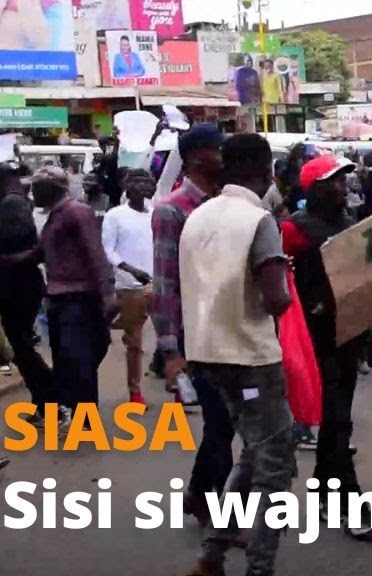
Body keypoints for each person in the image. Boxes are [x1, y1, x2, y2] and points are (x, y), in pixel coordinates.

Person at [179, 134, 292, 576]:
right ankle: (258, 568)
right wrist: (285, 276)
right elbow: (275, 299)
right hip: (251, 356)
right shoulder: (258, 219)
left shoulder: (199, 215)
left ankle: (211, 558)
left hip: (209, 353)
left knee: (254, 453)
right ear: (266, 173)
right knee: (275, 469)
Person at [281, 154, 372, 540]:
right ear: (311, 189)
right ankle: (350, 502)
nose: (341, 186)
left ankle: (322, 492)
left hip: (348, 333)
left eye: (344, 180)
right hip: (312, 335)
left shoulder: (354, 226)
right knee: (336, 418)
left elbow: (370, 274)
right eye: (331, 181)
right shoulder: (293, 230)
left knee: (337, 418)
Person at [151, 124, 230, 522]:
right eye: (219, 150)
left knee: (225, 423)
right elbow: (164, 281)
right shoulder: (173, 209)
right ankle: (218, 510)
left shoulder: (228, 203)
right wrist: (170, 350)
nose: (225, 157)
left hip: (229, 327)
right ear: (198, 157)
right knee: (221, 421)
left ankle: (199, 493)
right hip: (196, 333)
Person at [0, 166, 115, 413]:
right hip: (59, 300)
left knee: (77, 361)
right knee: (68, 362)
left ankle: (83, 418)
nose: (30, 193)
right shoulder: (55, 217)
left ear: (49, 189)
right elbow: (37, 254)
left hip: (78, 299)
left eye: (35, 188)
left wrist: (108, 294)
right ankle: (78, 415)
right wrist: (2, 259)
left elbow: (96, 254)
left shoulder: (77, 212)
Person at [0, 163, 57, 417]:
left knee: (21, 347)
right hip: (17, 285)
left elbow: (13, 238)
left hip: (18, 287)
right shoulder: (11, 202)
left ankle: (49, 399)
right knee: (21, 346)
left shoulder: (12, 203)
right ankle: (46, 400)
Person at [101, 169, 155, 406]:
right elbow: (108, 249)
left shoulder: (155, 213)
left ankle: (180, 387)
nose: (144, 186)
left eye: (147, 181)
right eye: (138, 181)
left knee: (171, 336)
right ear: (127, 186)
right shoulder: (115, 215)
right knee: (134, 341)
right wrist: (130, 269)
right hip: (130, 285)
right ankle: (135, 391)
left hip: (158, 283)